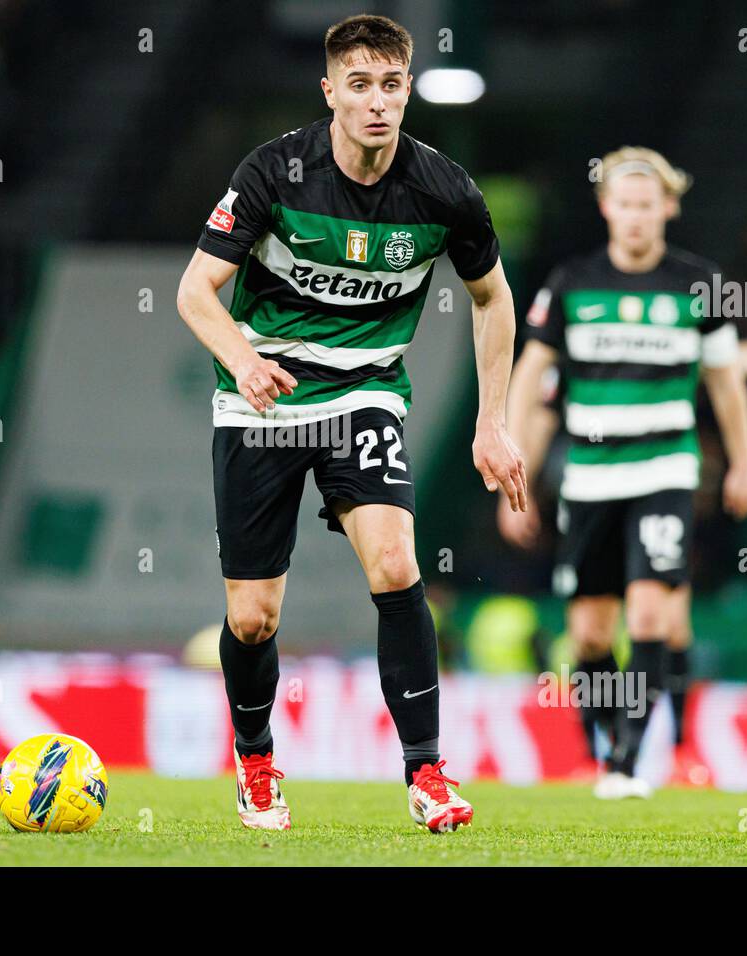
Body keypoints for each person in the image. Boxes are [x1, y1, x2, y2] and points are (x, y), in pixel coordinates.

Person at [176, 14, 527, 831]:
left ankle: (427, 773)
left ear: (408, 90)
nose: (377, 103)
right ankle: (256, 763)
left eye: (392, 85)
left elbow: (494, 298)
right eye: (360, 86)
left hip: (364, 394)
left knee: (398, 566)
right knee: (252, 616)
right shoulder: (274, 171)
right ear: (329, 90)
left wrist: (493, 423)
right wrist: (245, 359)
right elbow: (197, 291)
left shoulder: (444, 190)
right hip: (260, 398)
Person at [504, 147, 747, 799]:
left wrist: (744, 462)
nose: (638, 217)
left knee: (650, 617)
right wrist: (513, 468)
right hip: (589, 476)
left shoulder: (699, 283)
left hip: (665, 468)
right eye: (626, 204)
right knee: (590, 633)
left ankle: (626, 759)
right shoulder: (570, 282)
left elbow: (727, 383)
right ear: (606, 208)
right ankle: (603, 748)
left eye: (649, 205)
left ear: (669, 208)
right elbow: (532, 374)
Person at [499, 341, 747, 785]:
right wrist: (514, 492)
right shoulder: (582, 337)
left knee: (670, 622)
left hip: (660, 492)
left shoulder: (664, 337)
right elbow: (542, 413)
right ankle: (595, 752)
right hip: (590, 500)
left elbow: (732, 360)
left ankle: (676, 752)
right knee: (589, 636)